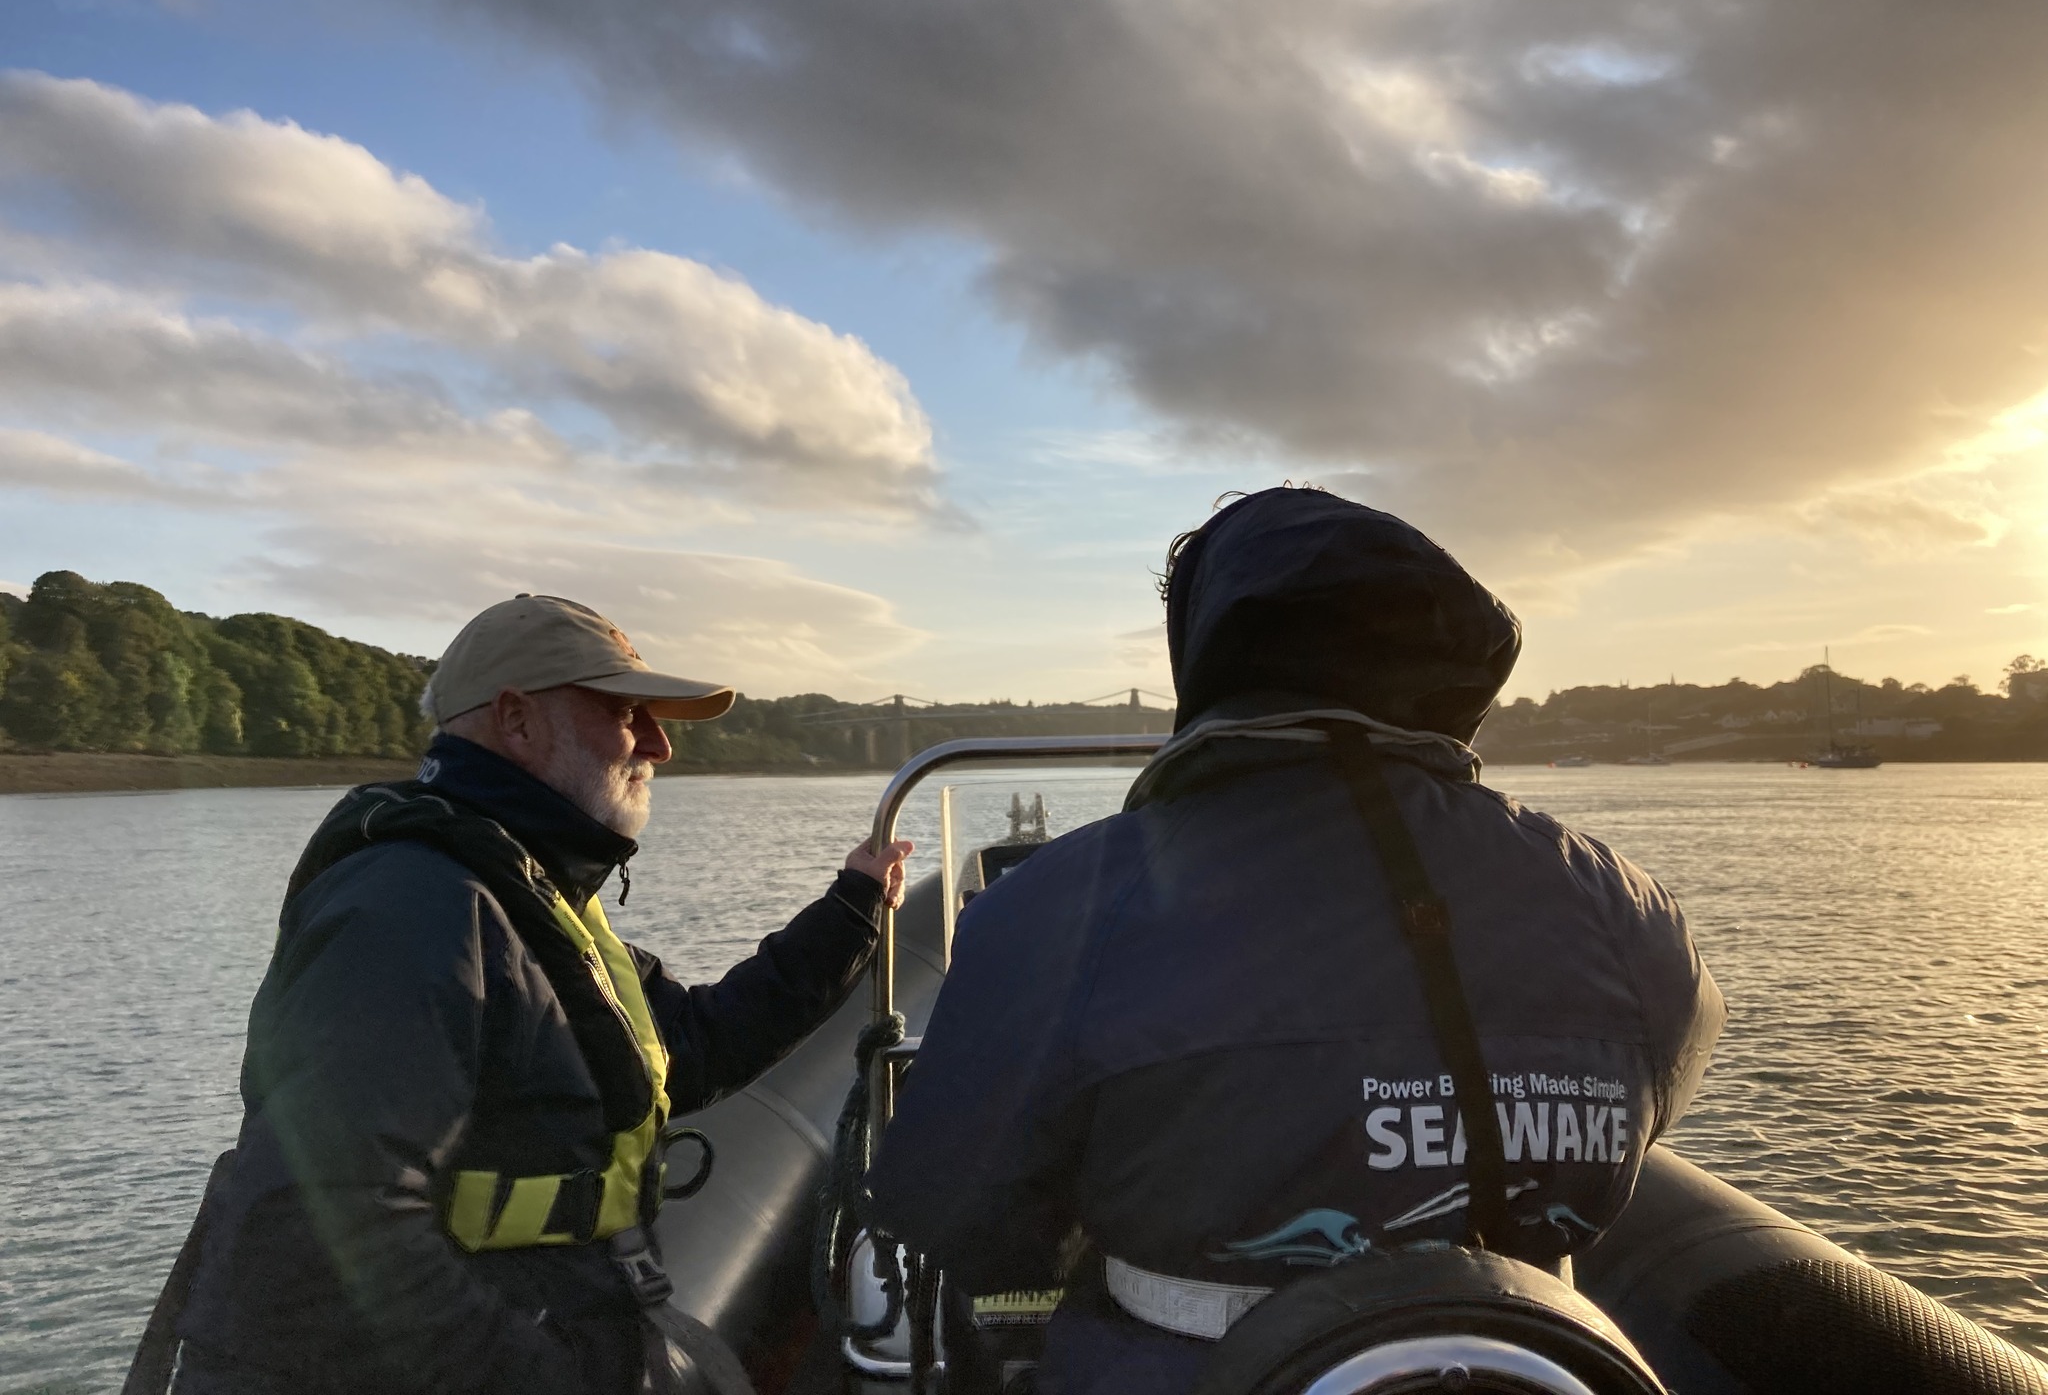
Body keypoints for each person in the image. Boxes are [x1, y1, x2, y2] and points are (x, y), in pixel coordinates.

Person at [867, 488, 1724, 1394]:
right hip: (1544, 1366)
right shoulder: (1626, 909)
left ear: (1205, 657)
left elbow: (951, 1210)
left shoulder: (1051, 910)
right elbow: (1659, 1088)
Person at [172, 594, 911, 1394]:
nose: (660, 745)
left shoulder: (521, 896)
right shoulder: (410, 910)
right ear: (517, 721)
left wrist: (850, 910)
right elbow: (319, 1226)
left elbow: (691, 1047)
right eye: (629, 713)